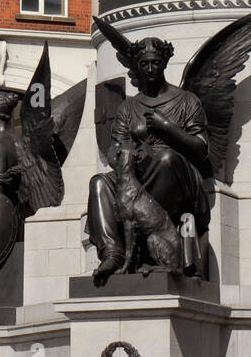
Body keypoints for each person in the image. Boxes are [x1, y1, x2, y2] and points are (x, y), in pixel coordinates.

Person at [87, 37, 210, 284]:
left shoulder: (186, 101)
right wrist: (128, 155)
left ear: (164, 64)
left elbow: (201, 148)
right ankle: (112, 252)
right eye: (144, 64)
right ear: (137, 66)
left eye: (156, 63)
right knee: (99, 183)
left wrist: (168, 129)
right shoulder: (128, 107)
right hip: (136, 173)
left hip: (179, 176)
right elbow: (113, 152)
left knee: (166, 159)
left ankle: (156, 240)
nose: (150, 69)